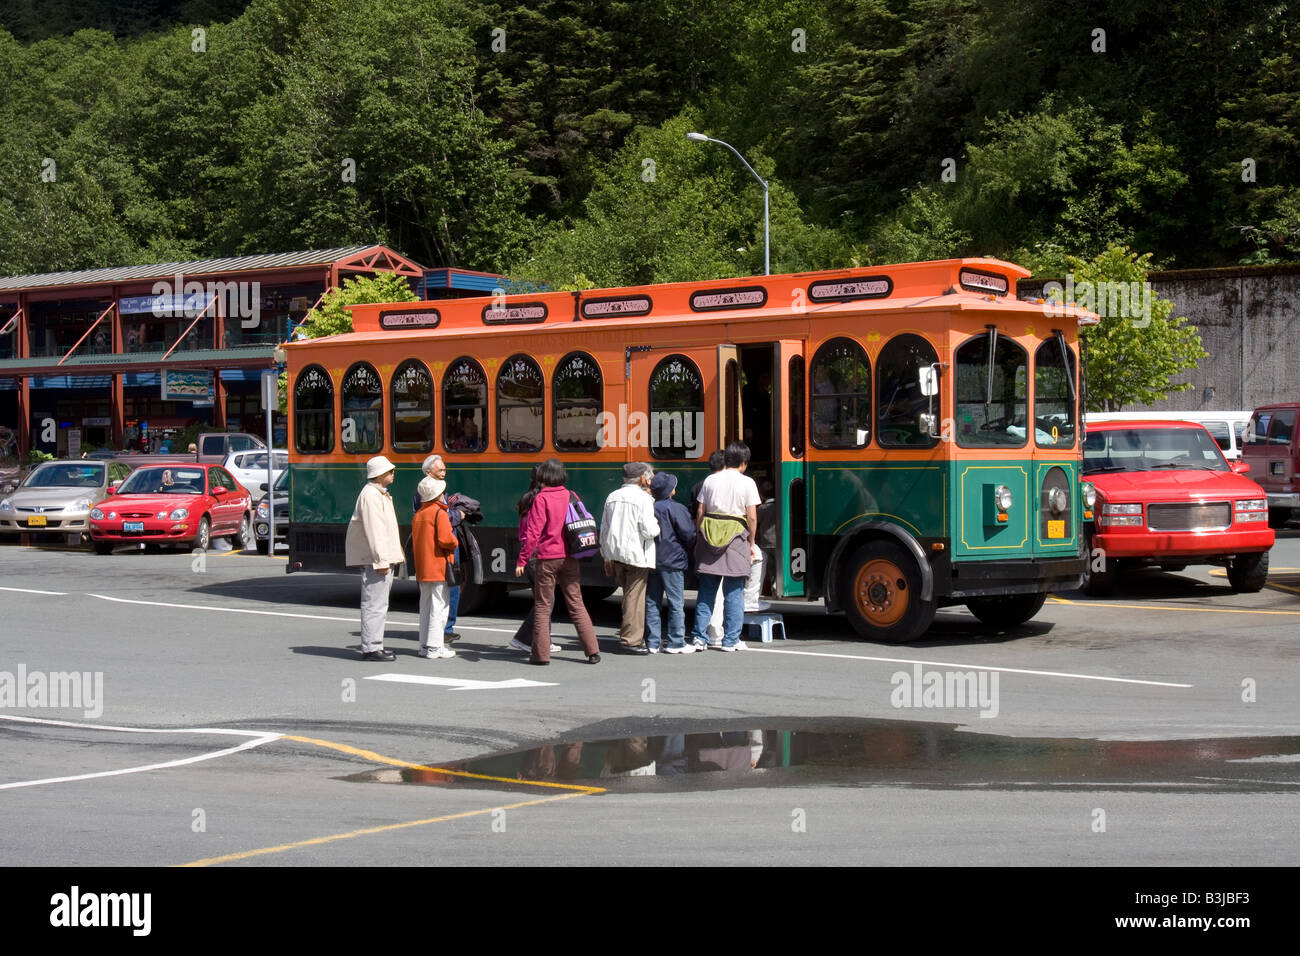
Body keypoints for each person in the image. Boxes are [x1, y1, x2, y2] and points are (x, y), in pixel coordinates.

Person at [515, 457, 601, 665]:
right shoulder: (571, 495)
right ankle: (592, 651)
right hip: (571, 557)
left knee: (543, 606)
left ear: (543, 476)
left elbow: (533, 533)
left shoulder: (541, 499)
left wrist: (522, 560)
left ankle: (540, 655)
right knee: (576, 603)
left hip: (547, 558)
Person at [691, 441, 760, 652]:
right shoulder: (747, 483)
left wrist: (700, 534)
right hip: (736, 538)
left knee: (707, 591)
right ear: (744, 462)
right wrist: (751, 542)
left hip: (709, 536)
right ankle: (731, 640)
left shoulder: (710, 480)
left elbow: (700, 511)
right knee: (734, 592)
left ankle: (699, 638)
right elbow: (752, 517)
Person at [344, 455, 405, 661]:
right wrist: (381, 560)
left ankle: (374, 645)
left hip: (380, 558)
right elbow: (375, 531)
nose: (393, 474)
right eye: (389, 471)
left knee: (378, 603)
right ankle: (371, 648)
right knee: (374, 604)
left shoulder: (376, 493)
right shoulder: (371, 495)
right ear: (379, 475)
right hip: (377, 560)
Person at [600, 462, 659, 654]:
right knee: (635, 597)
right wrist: (658, 526)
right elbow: (649, 530)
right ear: (642, 478)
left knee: (628, 595)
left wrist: (606, 557)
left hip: (615, 553)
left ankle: (628, 632)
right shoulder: (643, 499)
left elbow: (604, 529)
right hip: (636, 554)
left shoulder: (612, 496)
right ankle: (631, 640)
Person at [509, 465, 562, 657]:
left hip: (529, 553)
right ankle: (526, 639)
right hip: (536, 554)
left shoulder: (528, 498)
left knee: (543, 599)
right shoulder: (540, 499)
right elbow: (535, 533)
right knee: (545, 600)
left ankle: (541, 640)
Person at [413, 454, 462, 643]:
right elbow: (444, 533)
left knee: (429, 601)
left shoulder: (426, 501)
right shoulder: (430, 498)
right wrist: (458, 516)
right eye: (440, 470)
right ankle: (438, 639)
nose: (444, 473)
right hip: (439, 554)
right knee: (440, 599)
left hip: (428, 556)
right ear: (428, 473)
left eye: (444, 469)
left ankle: (430, 640)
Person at [646, 471, 697, 653]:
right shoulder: (676, 508)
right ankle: (676, 641)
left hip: (652, 560)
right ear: (670, 491)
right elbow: (688, 534)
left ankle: (652, 642)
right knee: (676, 602)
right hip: (673, 560)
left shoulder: (649, 507)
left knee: (653, 601)